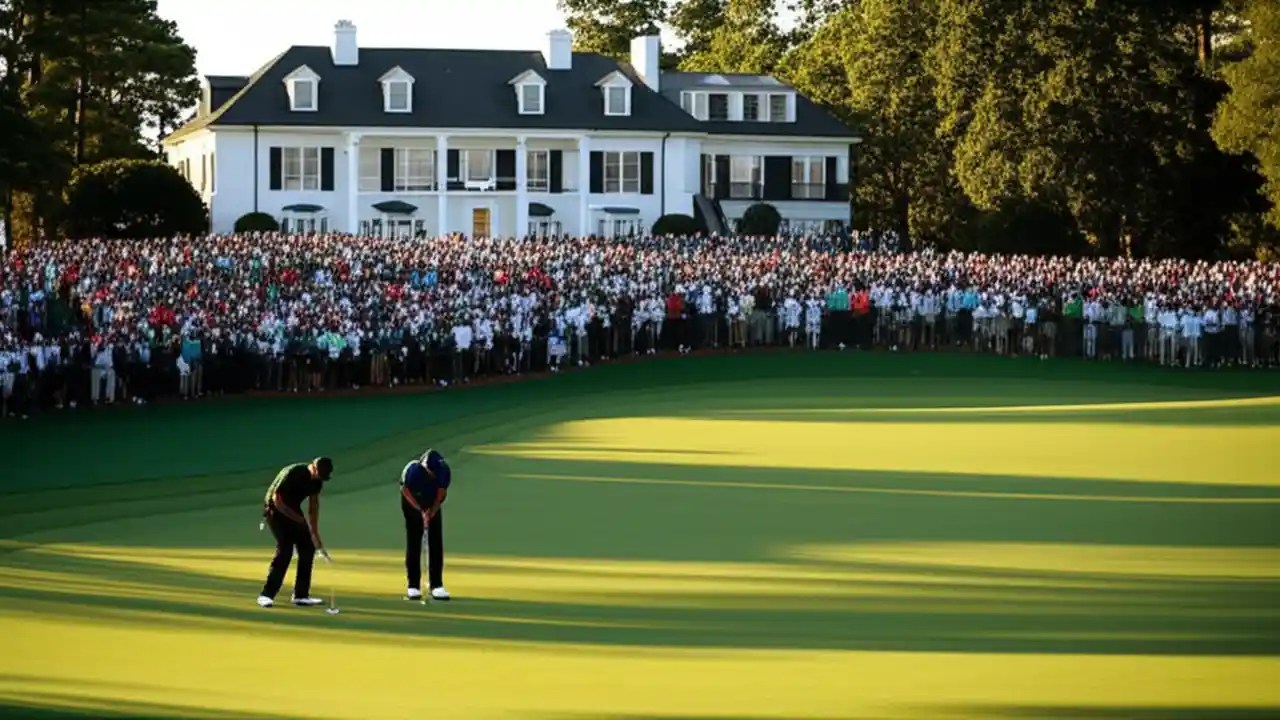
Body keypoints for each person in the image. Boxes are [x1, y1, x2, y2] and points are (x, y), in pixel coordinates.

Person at [257, 456, 333, 608]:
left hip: (293, 508)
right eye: (318, 474)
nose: (319, 478)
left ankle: (301, 595)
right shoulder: (295, 472)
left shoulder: (316, 482)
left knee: (308, 548)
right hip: (274, 510)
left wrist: (314, 533)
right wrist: (297, 520)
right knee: (285, 550)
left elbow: (313, 506)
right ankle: (266, 595)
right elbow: (277, 499)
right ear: (313, 467)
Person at [400, 448, 452, 601]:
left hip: (432, 502)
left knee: (435, 541)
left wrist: (432, 511)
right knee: (414, 540)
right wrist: (419, 511)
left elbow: (441, 493)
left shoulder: (443, 471)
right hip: (412, 502)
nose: (433, 476)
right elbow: (405, 491)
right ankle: (413, 586)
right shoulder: (413, 471)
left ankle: (436, 585)